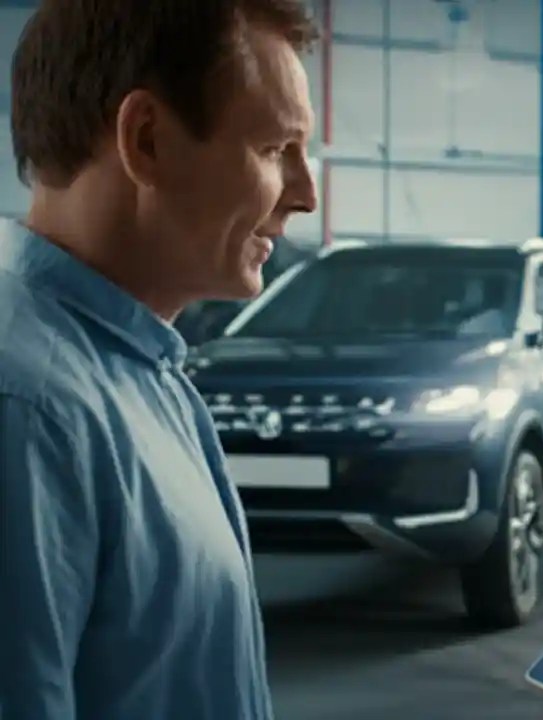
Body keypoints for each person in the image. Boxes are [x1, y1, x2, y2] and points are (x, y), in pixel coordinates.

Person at [0, 1, 318, 718]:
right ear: (146, 140)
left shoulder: (133, 367)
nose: (305, 194)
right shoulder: (28, 409)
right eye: (276, 150)